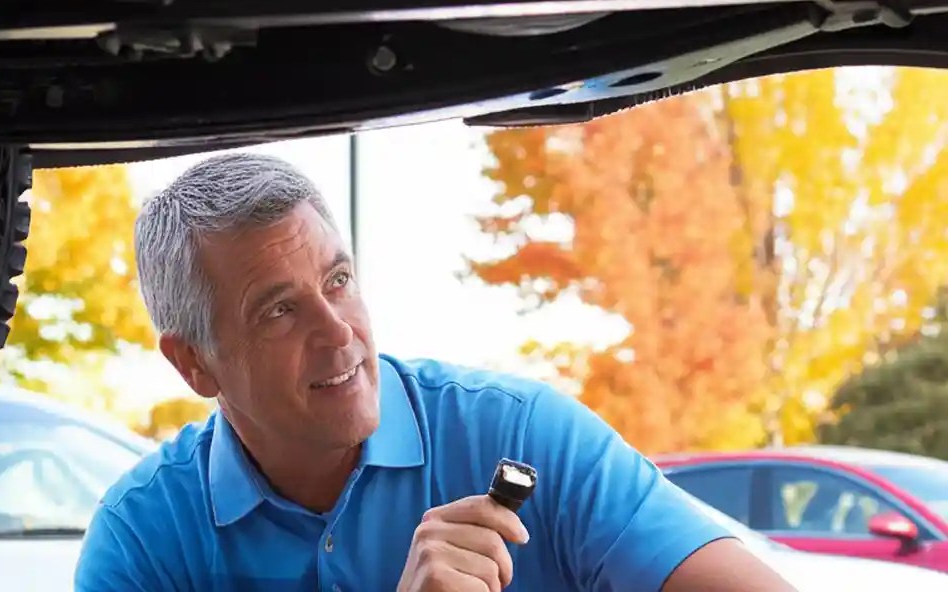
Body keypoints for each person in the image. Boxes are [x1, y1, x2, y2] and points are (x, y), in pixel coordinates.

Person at [74, 152, 796, 592]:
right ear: (193, 362)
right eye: (277, 312)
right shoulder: (145, 539)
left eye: (338, 281)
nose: (340, 334)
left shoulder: (521, 436)